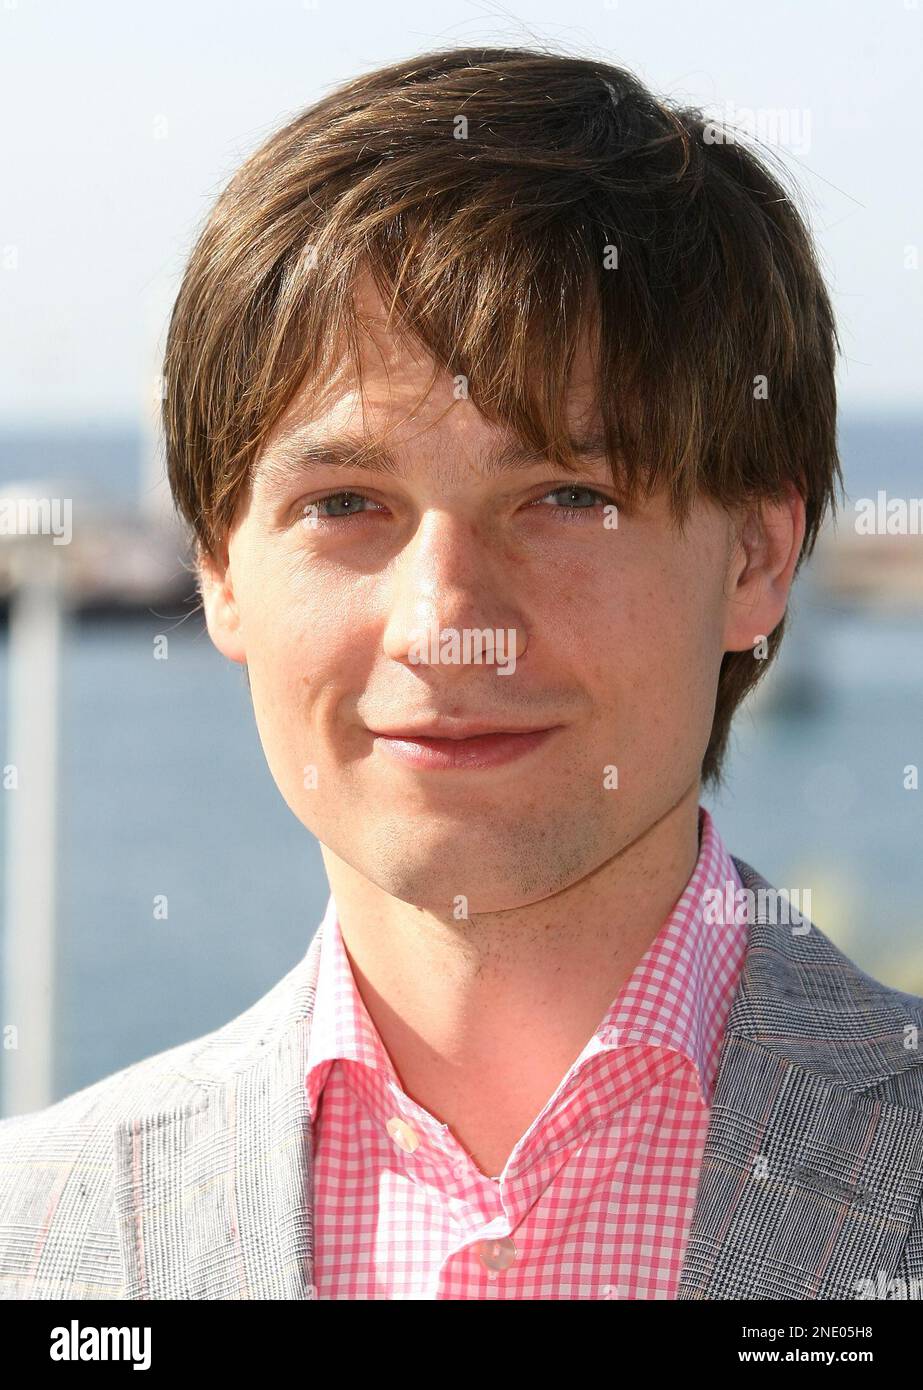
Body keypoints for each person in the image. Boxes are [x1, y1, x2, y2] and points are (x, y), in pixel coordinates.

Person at [2, 45, 922, 1302]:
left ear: (756, 557)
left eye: (562, 495)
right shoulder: (38, 1241)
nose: (446, 622)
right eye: (343, 503)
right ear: (219, 569)